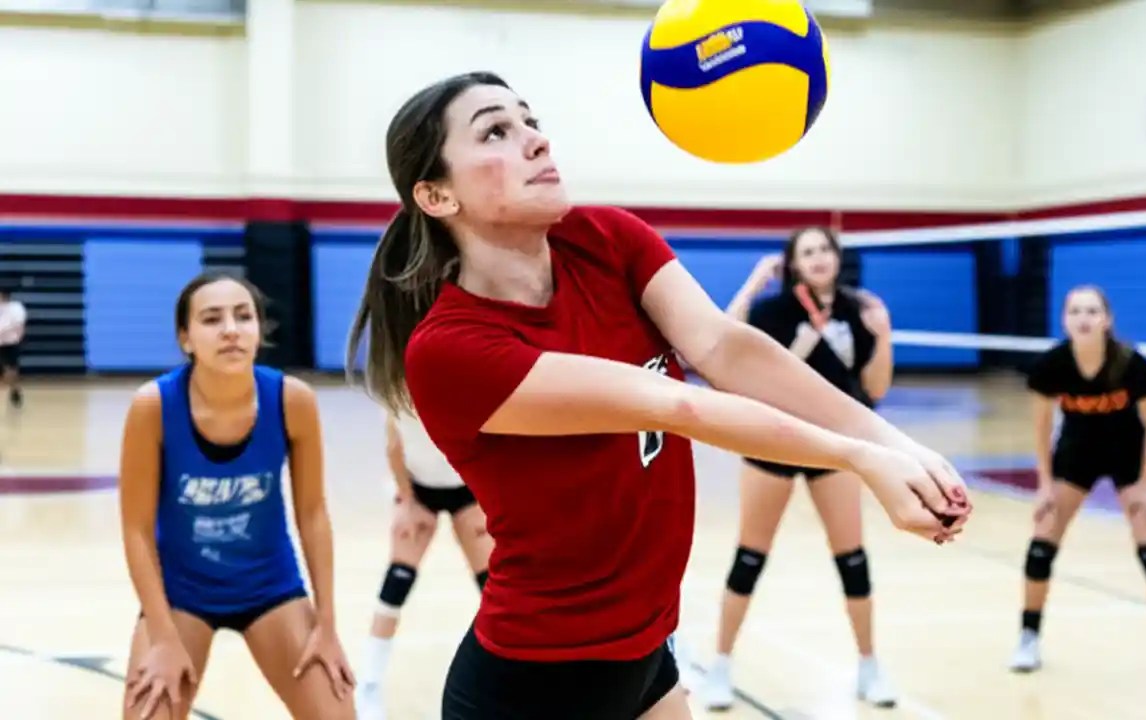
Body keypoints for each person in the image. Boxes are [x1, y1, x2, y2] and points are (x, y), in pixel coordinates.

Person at [345, 71, 971, 720]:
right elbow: (676, 405)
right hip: (536, 684)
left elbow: (724, 348)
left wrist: (891, 440)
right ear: (436, 194)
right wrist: (860, 458)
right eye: (496, 132)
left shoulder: (607, 239)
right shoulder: (451, 350)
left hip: (647, 656)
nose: (535, 140)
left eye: (530, 120)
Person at [118, 271, 355, 720]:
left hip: (271, 587)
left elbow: (313, 513)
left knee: (337, 714)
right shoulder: (153, 406)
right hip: (181, 594)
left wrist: (326, 623)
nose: (230, 329)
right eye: (211, 319)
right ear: (185, 338)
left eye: (243, 316)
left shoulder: (292, 400)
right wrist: (163, 637)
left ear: (258, 330)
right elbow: (136, 530)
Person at [700, 228, 898, 710]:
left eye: (824, 249)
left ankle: (869, 666)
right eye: (806, 251)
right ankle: (721, 666)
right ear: (793, 263)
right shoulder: (773, 311)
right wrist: (752, 284)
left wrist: (884, 333)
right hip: (776, 440)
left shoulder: (859, 311)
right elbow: (723, 348)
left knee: (852, 558)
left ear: (836, 258)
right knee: (750, 555)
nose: (817, 258)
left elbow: (876, 387)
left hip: (836, 446)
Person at [1010, 284, 1146, 680]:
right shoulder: (1052, 365)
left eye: (1092, 311)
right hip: (1076, 454)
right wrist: (1043, 485)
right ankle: (1028, 637)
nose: (1084, 318)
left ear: (1107, 320)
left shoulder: (1131, 364)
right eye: (1075, 311)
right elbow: (1040, 429)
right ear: (1064, 320)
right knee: (1041, 545)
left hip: (1127, 454)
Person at [354, 408, 493, 720]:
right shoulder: (397, 385)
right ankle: (370, 685)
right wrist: (405, 499)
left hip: (467, 490)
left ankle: (515, 678)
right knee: (397, 580)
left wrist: (489, 497)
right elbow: (393, 445)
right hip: (419, 490)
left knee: (495, 586)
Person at [0, 288, 26, 408]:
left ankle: (14, 389)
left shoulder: (15, 307)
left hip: (11, 342)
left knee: (11, 369)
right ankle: (13, 389)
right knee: (6, 369)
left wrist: (19, 337)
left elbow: (19, 324)